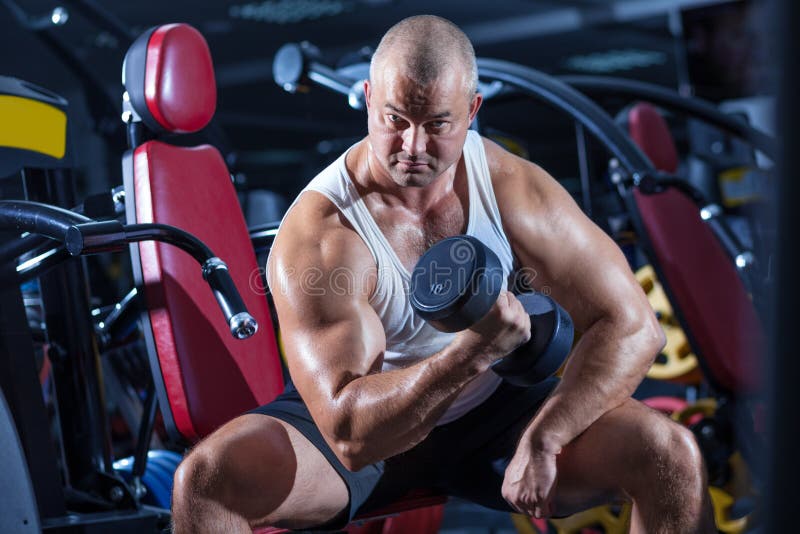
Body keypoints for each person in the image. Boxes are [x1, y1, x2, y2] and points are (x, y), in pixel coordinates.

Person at [172, 15, 716, 533]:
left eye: (437, 124)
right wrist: (474, 352)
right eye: (395, 120)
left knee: (668, 453)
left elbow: (632, 325)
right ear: (368, 100)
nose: (412, 147)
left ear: (472, 110)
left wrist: (549, 435)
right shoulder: (321, 232)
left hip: (493, 415)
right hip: (365, 433)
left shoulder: (506, 185)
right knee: (207, 480)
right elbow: (349, 436)